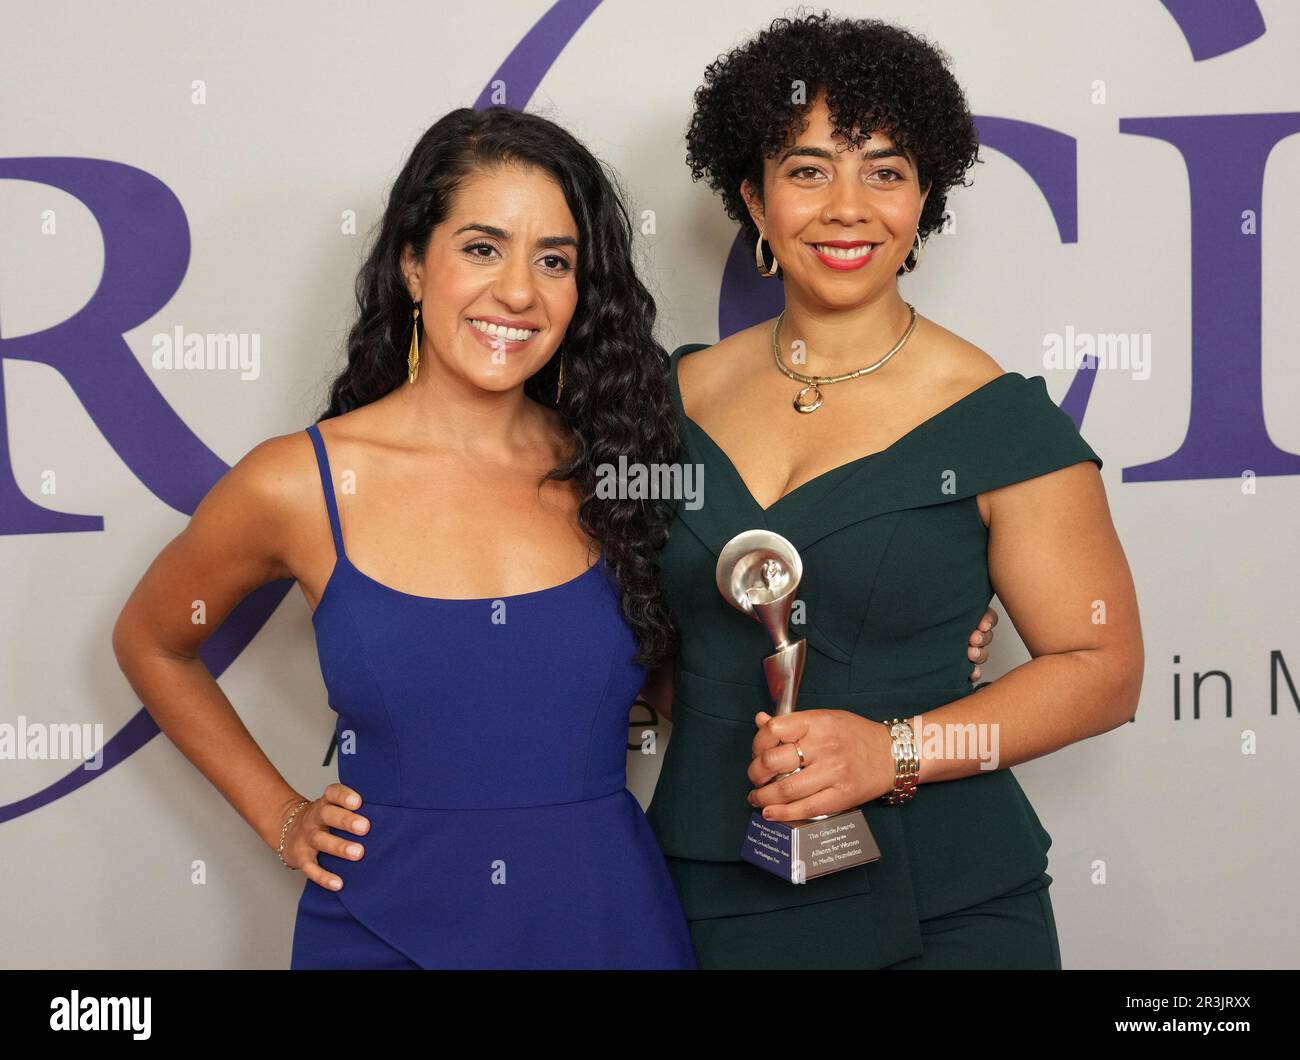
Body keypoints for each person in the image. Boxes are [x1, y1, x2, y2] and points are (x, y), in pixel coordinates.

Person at [111, 105, 697, 969]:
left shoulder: (620, 469)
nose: (519, 292)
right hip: (380, 931)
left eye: (554, 260)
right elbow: (152, 642)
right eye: (482, 248)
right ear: (414, 265)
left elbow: (705, 673)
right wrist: (281, 815)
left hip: (607, 922)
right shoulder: (298, 482)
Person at [639, 13, 1144, 969]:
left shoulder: (995, 419)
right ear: (752, 196)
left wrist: (892, 748)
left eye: (885, 170)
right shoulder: (671, 399)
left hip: (945, 901)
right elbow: (617, 626)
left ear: (923, 202)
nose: (847, 206)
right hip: (710, 883)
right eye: (807, 168)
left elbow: (1103, 669)